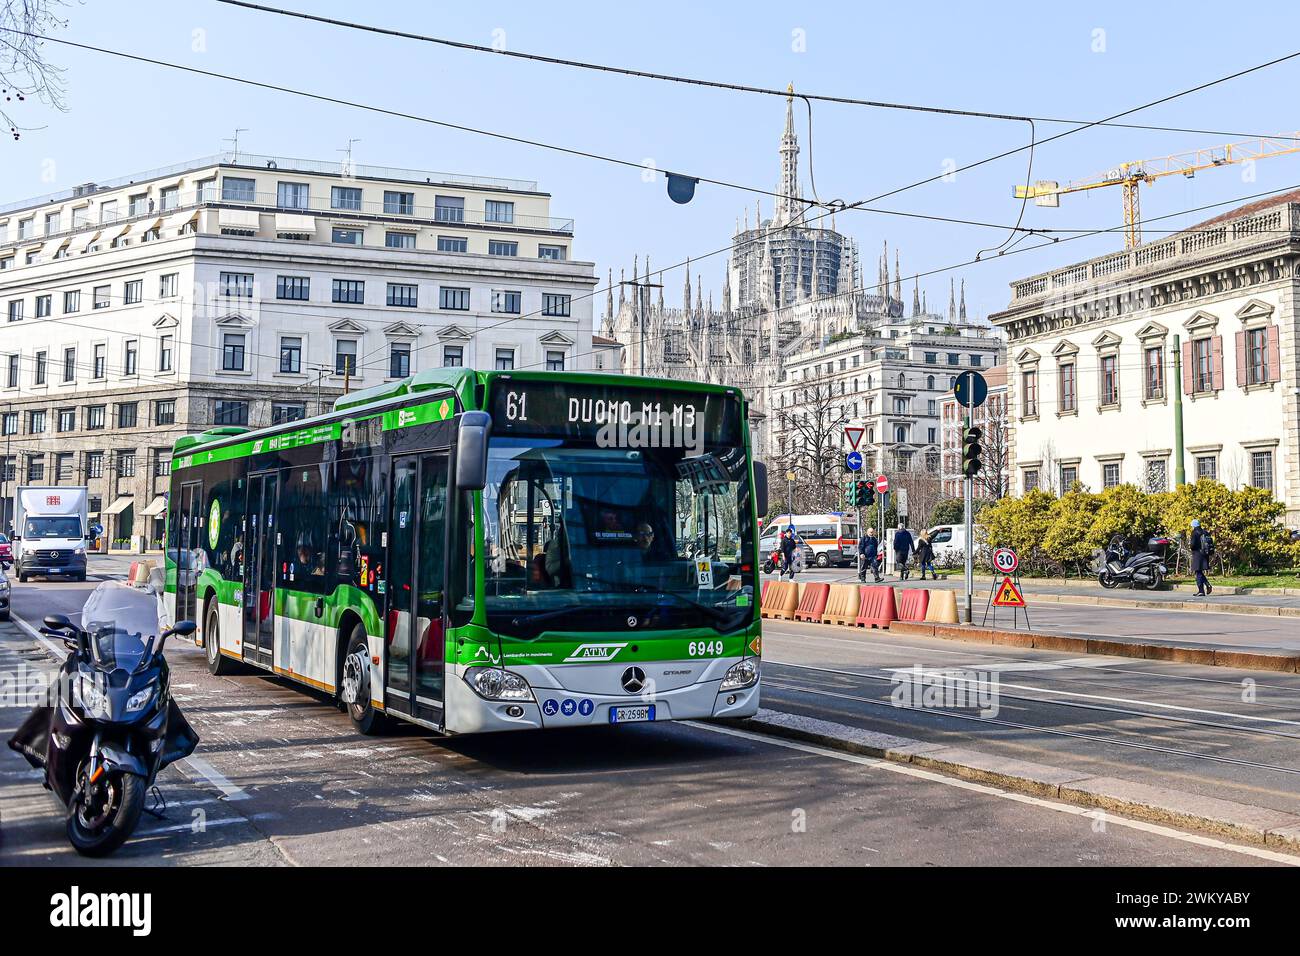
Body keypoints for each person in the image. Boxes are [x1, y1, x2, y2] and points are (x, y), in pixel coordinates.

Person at [1190, 518, 1214, 597]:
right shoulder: (1205, 532)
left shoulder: (1194, 532)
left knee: (1198, 572)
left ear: (1193, 526)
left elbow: (1192, 545)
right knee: (1199, 572)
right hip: (1205, 554)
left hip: (1197, 554)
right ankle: (1207, 585)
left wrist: (1191, 547)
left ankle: (1201, 591)